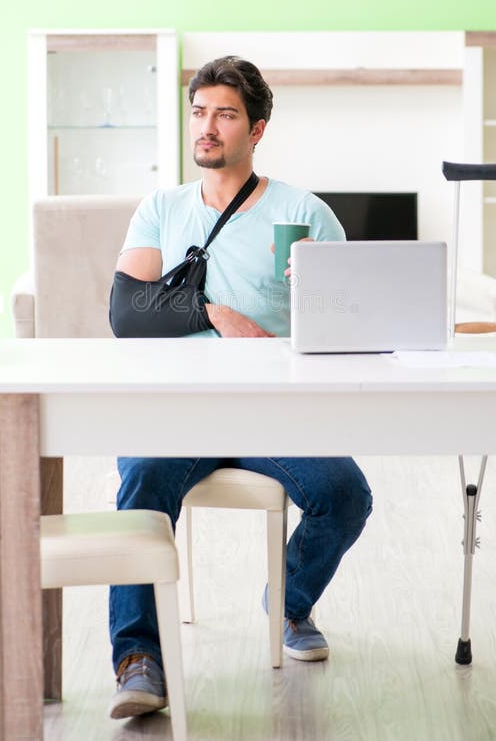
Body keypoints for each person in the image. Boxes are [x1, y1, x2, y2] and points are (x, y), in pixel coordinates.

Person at [108, 56, 373, 720]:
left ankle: (287, 603)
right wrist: (212, 314)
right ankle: (138, 658)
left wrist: (316, 287)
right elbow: (124, 311)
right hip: (180, 409)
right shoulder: (161, 207)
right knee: (139, 478)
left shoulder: (302, 211)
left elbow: (349, 324)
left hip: (270, 412)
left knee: (344, 495)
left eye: (224, 114)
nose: (207, 126)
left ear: (256, 129)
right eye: (199, 112)